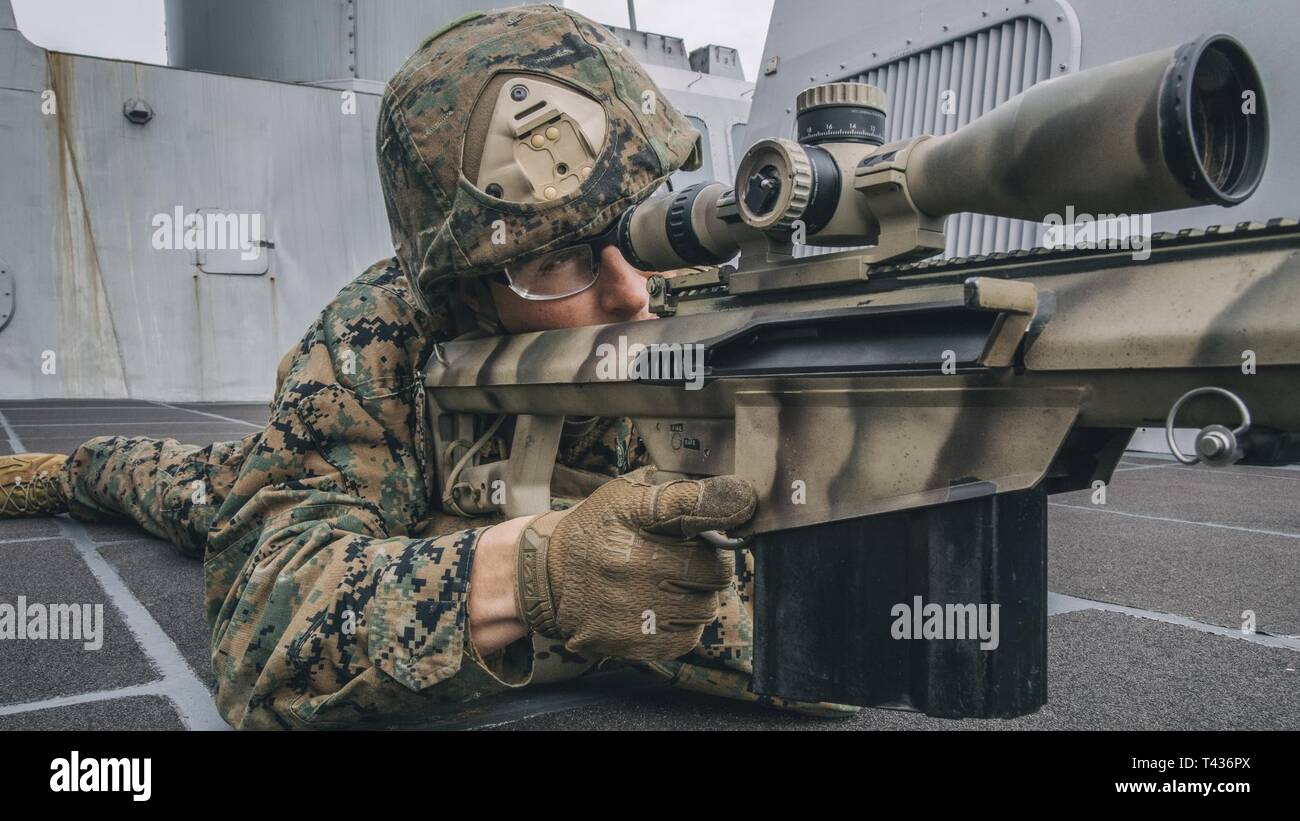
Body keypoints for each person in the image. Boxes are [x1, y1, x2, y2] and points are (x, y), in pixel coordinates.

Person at [0, 5, 852, 729]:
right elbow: (263, 632)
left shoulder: (701, 313)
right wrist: (540, 574)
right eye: (560, 262)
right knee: (182, 484)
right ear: (464, 293)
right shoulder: (374, 340)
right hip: (340, 470)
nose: (634, 295)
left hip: (460, 512)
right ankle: (66, 469)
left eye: (647, 228)